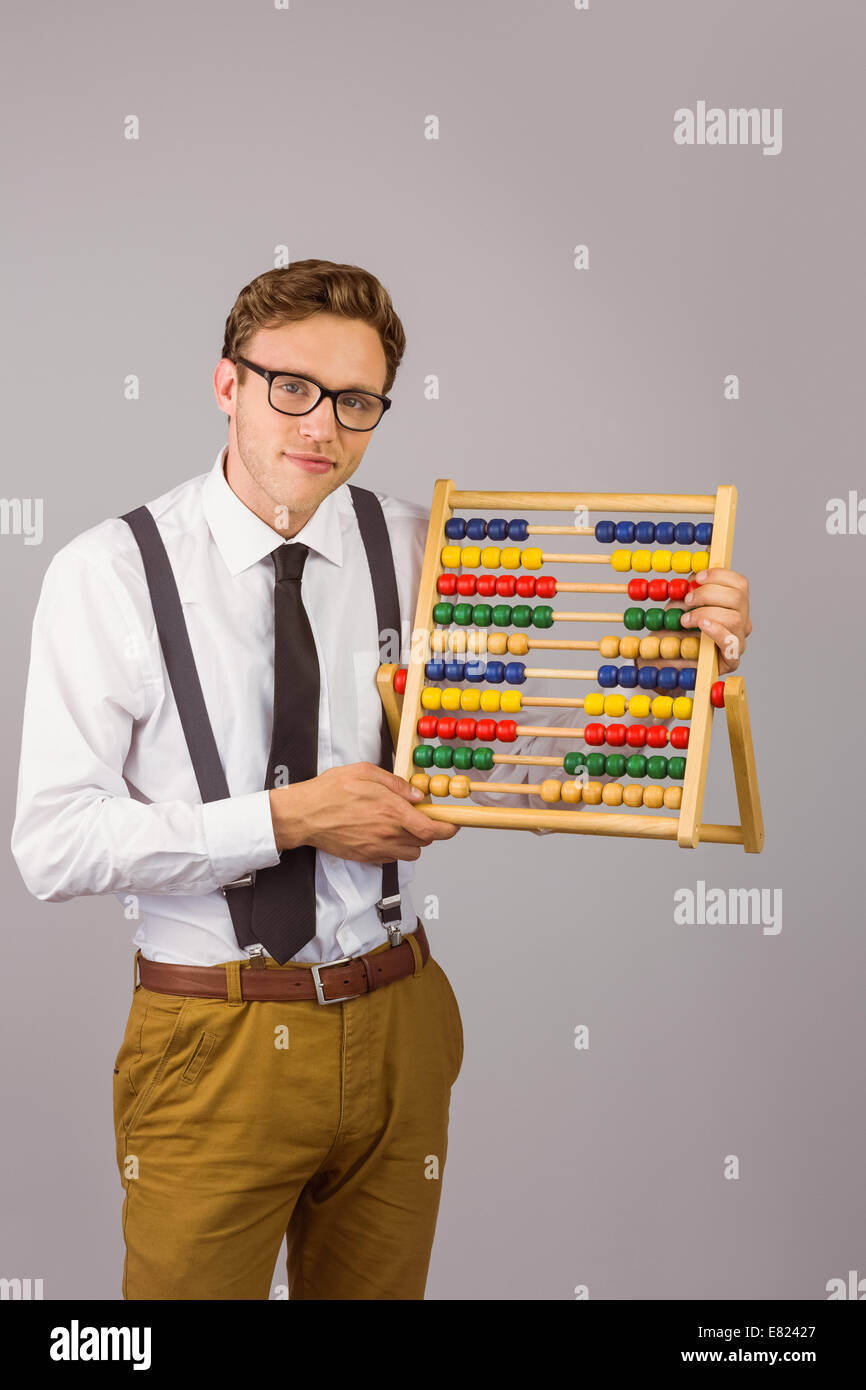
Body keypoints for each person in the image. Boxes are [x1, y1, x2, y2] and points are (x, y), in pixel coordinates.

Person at [10, 259, 752, 1300]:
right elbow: (52, 843)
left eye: (354, 401)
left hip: (399, 1017)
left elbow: (510, 756)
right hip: (212, 1038)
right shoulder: (111, 572)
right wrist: (290, 817)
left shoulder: (419, 545)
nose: (320, 425)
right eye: (291, 388)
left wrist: (677, 665)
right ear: (228, 385)